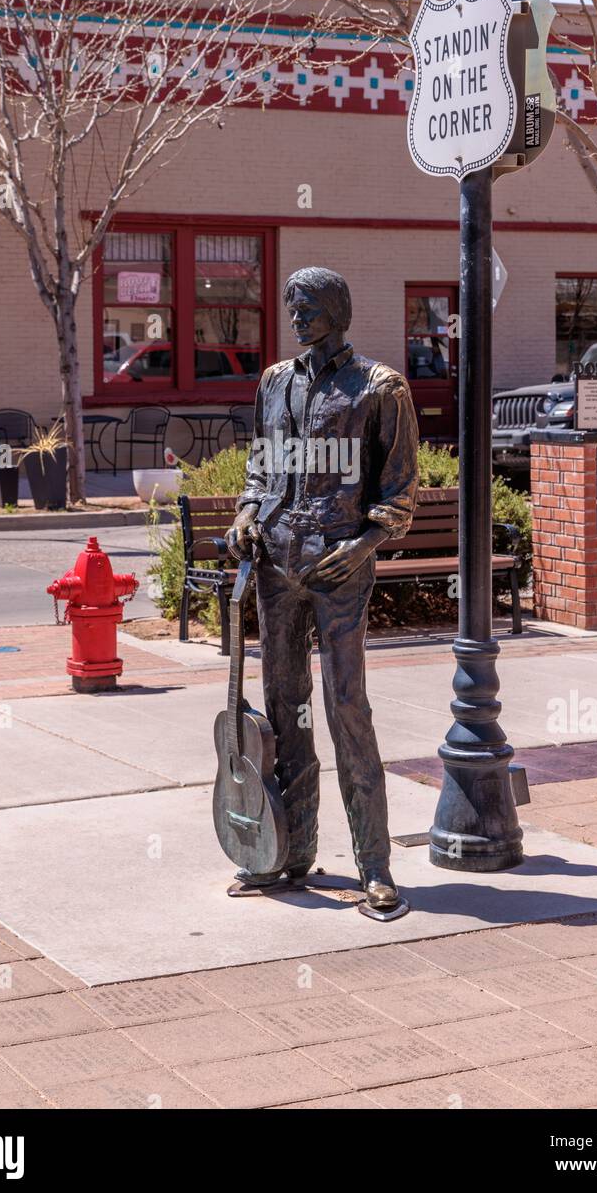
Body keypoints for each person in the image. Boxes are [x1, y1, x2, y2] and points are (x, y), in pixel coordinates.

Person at [226, 266, 419, 915]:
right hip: (277, 569)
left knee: (346, 709)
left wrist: (360, 547)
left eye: (307, 305)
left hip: (339, 569)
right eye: (291, 306)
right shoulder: (274, 383)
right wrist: (246, 515)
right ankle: (290, 853)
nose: (296, 316)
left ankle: (374, 865)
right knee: (285, 713)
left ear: (337, 308)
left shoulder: (380, 388)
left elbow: (397, 497)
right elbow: (262, 469)